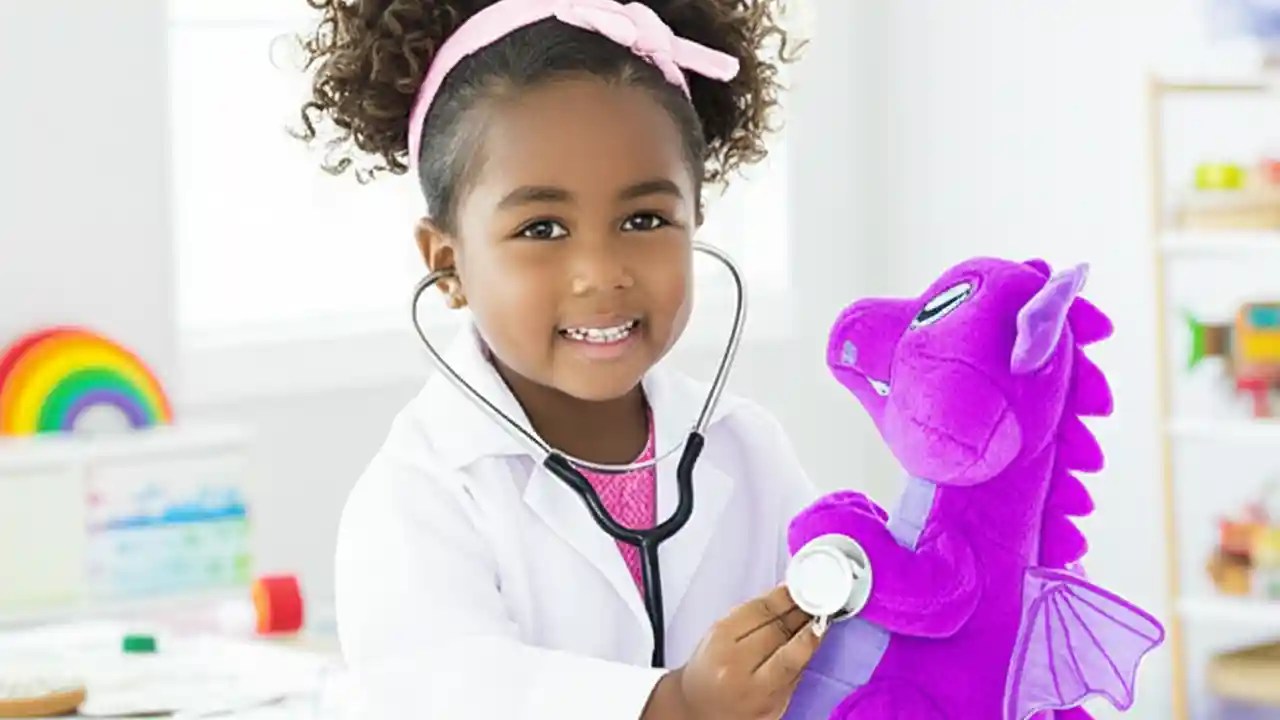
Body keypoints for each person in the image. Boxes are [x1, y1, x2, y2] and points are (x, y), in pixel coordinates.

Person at [294, 0, 824, 716]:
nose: (600, 272)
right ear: (447, 264)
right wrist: (673, 705)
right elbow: (445, 691)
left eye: (644, 219)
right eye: (542, 228)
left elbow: (837, 658)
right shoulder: (418, 497)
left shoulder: (748, 449)